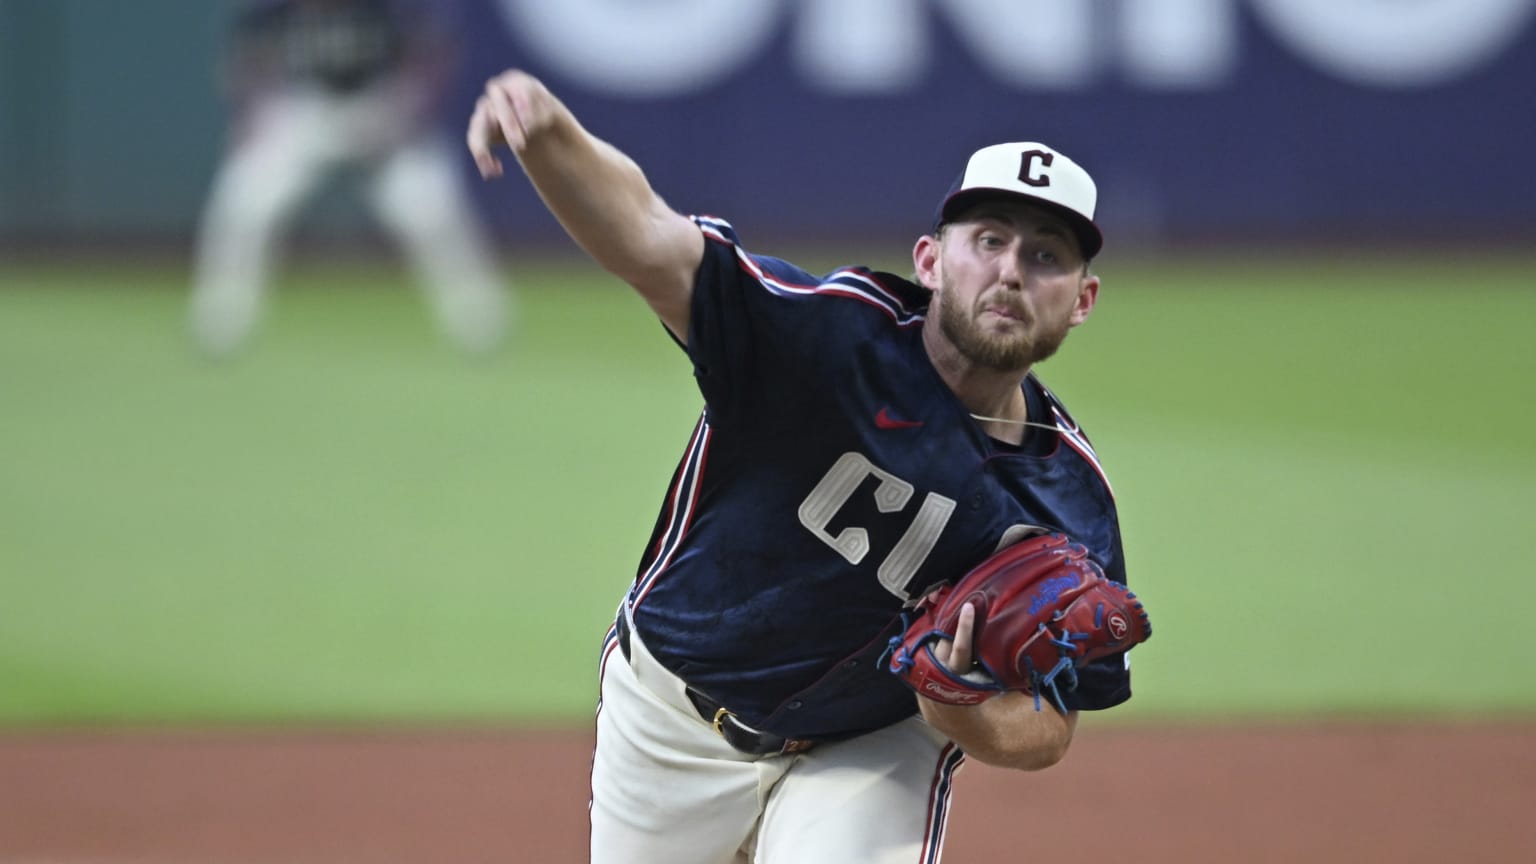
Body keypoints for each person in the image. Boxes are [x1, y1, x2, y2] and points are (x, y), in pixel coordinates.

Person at [468, 70, 1136, 863]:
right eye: (988, 240)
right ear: (930, 259)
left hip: (868, 745)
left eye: (1046, 254)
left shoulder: (1069, 502)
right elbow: (649, 237)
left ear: (1084, 299)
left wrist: (961, 712)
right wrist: (550, 134)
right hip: (669, 717)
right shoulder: (820, 340)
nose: (1012, 271)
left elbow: (1052, 727)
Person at [189, 0, 511, 356]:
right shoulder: (273, 11)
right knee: (246, 203)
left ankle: (478, 321)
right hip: (305, 112)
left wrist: (406, 109)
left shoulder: (389, 10)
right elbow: (246, 62)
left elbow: (433, 55)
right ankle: (222, 319)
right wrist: (255, 113)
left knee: (431, 213)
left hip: (382, 108)